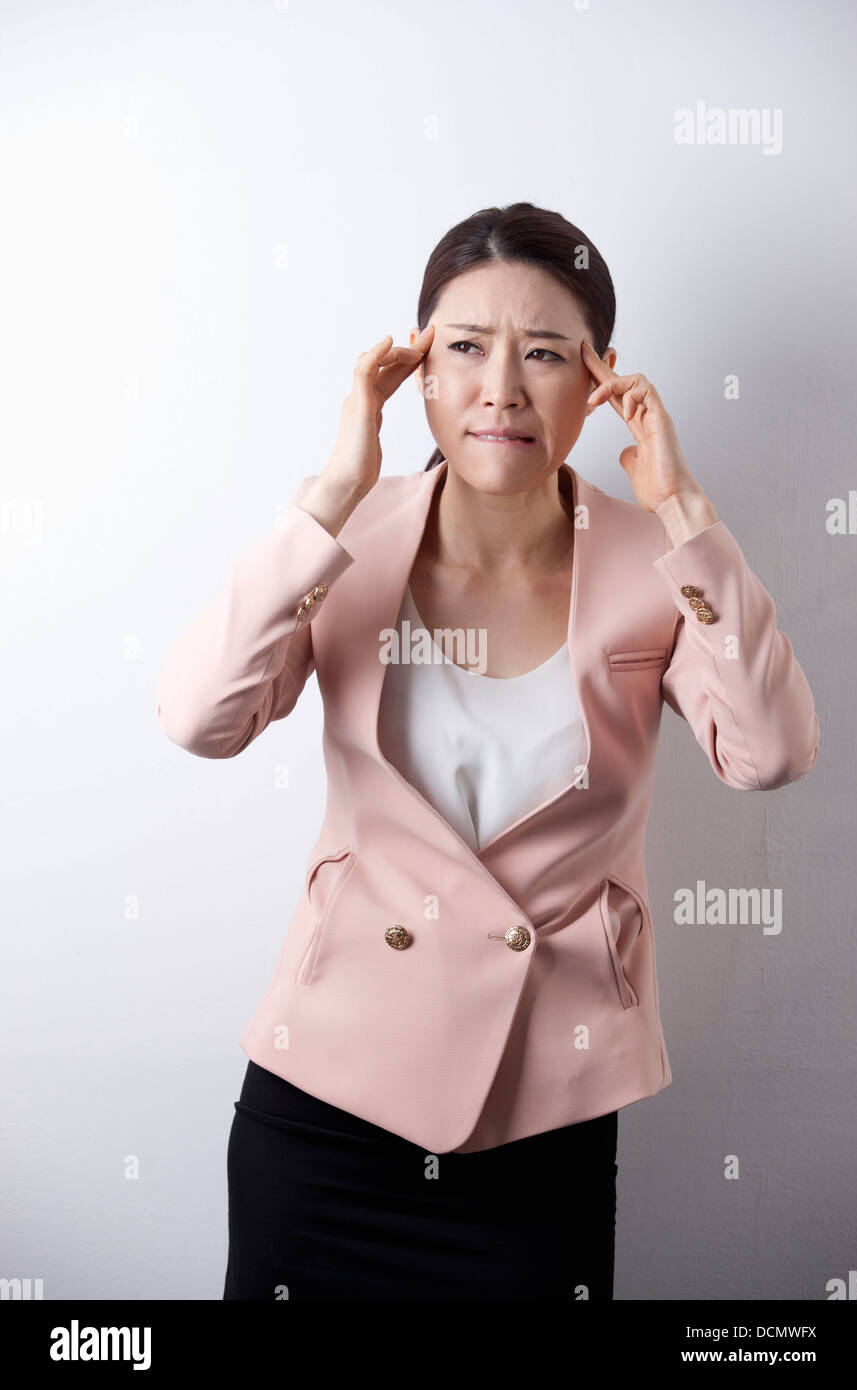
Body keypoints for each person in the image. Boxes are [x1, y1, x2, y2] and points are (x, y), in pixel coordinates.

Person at [155, 202, 820, 1301]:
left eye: (545, 353)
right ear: (416, 373)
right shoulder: (347, 543)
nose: (501, 386)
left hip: (542, 1109)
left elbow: (768, 752)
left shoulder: (655, 564)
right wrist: (330, 489)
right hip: (323, 1101)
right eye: (463, 347)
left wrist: (683, 508)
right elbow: (197, 718)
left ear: (598, 382)